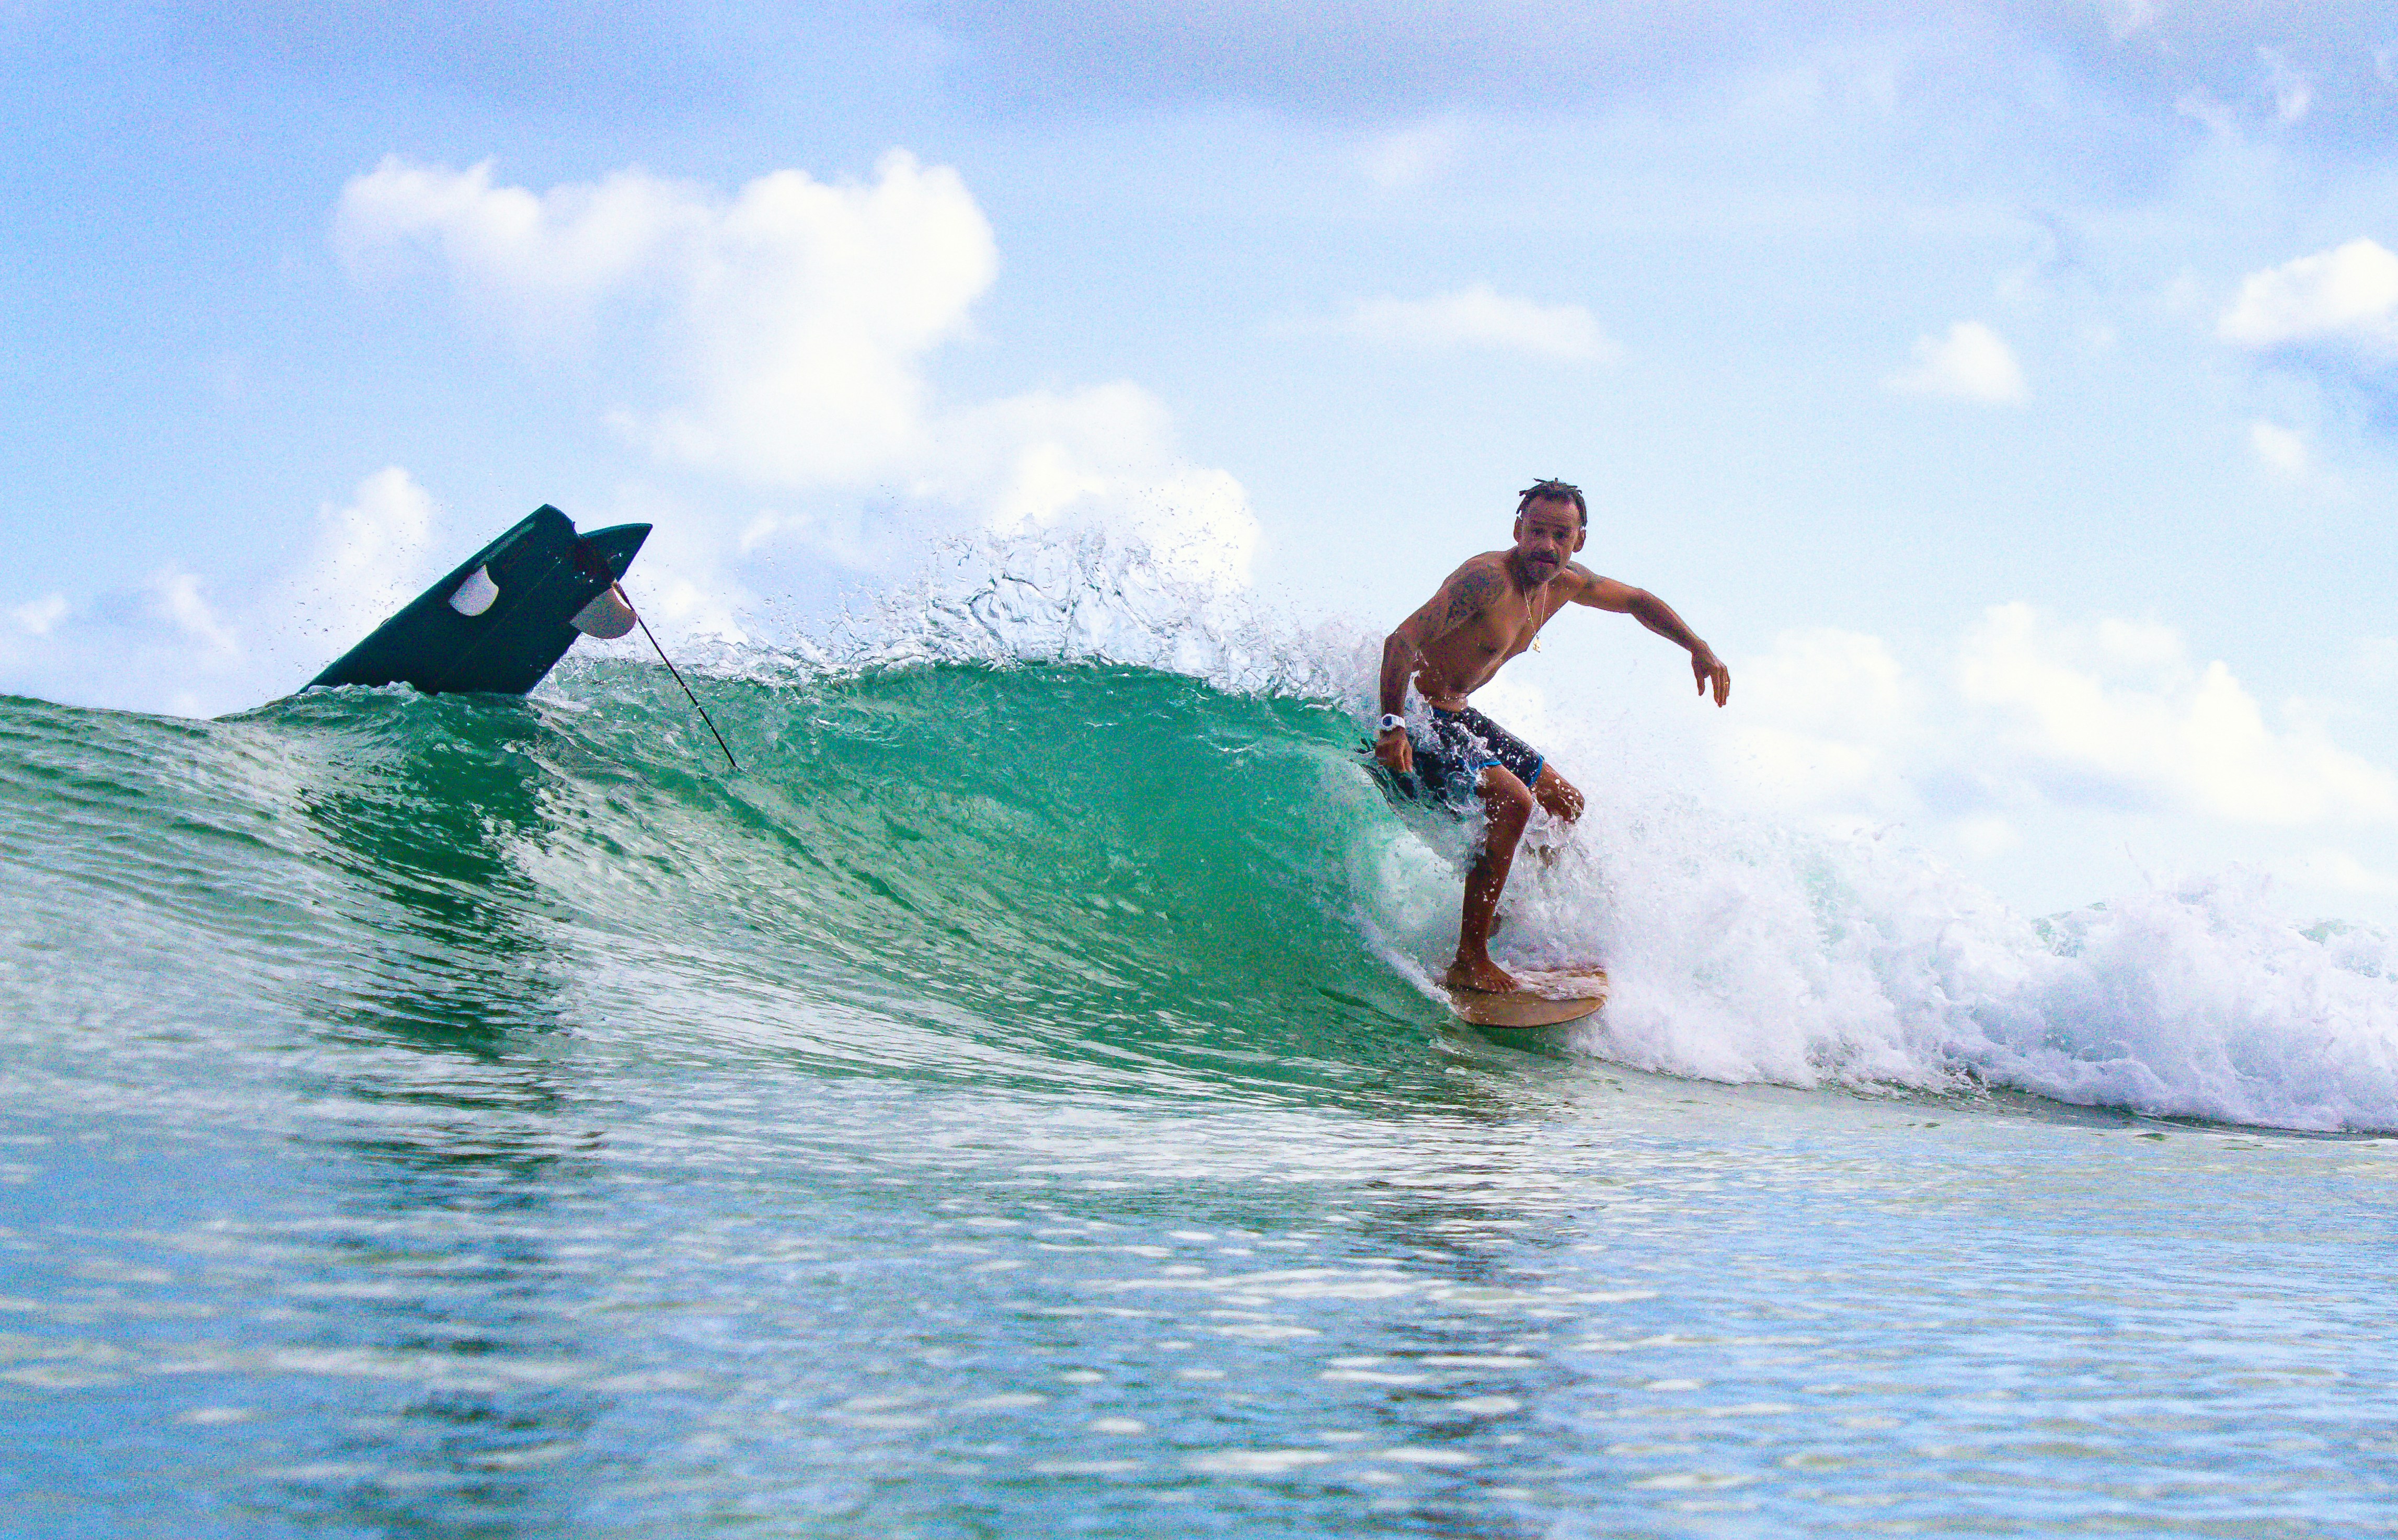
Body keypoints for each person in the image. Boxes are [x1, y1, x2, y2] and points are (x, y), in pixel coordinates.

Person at [1374, 478, 1731, 993]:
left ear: (1578, 540)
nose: (1547, 545)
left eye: (1560, 535)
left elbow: (1635, 601)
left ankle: (1501, 918)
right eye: (1536, 531)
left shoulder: (1567, 584)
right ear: (1517, 530)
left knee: (1565, 805)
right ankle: (1469, 960)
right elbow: (1402, 640)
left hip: (1460, 713)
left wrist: (1697, 646)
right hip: (1420, 714)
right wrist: (1393, 724)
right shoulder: (1486, 580)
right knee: (1513, 801)